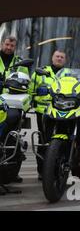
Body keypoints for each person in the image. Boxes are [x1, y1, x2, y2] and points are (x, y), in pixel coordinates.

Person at [29, 49, 67, 181]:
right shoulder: (40, 72)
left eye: (62, 57)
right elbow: (30, 91)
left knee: (62, 140)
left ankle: (57, 170)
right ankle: (41, 171)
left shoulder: (69, 74)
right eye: (57, 56)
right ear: (52, 58)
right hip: (44, 111)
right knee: (44, 141)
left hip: (63, 111)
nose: (59, 58)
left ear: (65, 60)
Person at [0, 35, 30, 183]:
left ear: (15, 47)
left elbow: (27, 83)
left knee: (13, 137)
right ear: (2, 44)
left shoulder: (20, 62)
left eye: (12, 46)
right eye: (7, 44)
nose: (9, 48)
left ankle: (12, 172)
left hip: (14, 104)